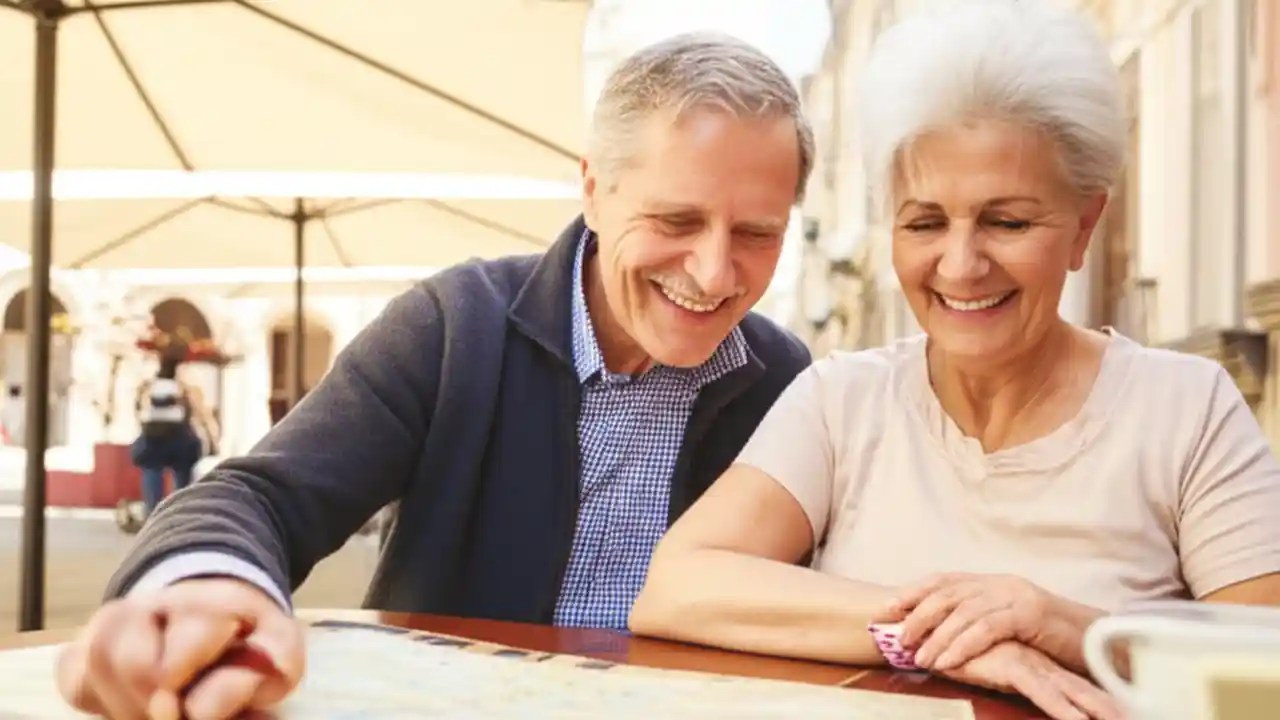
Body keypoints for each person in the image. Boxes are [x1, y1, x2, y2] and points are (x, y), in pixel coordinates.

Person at [55, 33, 814, 720]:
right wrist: (204, 592)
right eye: (676, 221)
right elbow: (258, 496)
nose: (714, 272)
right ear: (592, 190)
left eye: (756, 233)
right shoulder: (458, 324)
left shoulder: (787, 380)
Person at [628, 3, 1280, 720]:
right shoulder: (842, 399)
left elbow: (1264, 664)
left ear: (1083, 227)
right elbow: (675, 588)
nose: (962, 265)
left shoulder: (1186, 407)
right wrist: (941, 635)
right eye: (926, 223)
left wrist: (1065, 627)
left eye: (1008, 222)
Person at [125, 352, 218, 526]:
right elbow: (195, 412)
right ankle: (179, 515)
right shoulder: (184, 388)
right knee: (182, 478)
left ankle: (152, 516)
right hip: (179, 438)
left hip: (153, 437)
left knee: (152, 472)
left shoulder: (149, 386)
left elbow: (138, 408)